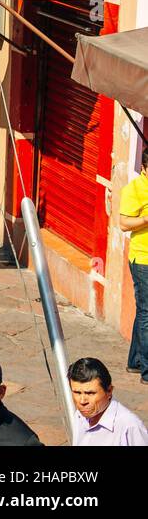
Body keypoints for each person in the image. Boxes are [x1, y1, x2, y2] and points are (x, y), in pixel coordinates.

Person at [68, 356, 148, 445]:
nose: (82, 401)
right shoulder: (79, 416)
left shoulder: (129, 427)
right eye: (77, 393)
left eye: (90, 393)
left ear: (109, 391)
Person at [121, 147, 148, 381]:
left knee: (144, 311)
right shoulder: (135, 189)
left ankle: (135, 361)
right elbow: (123, 223)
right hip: (143, 259)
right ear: (143, 168)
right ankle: (147, 371)